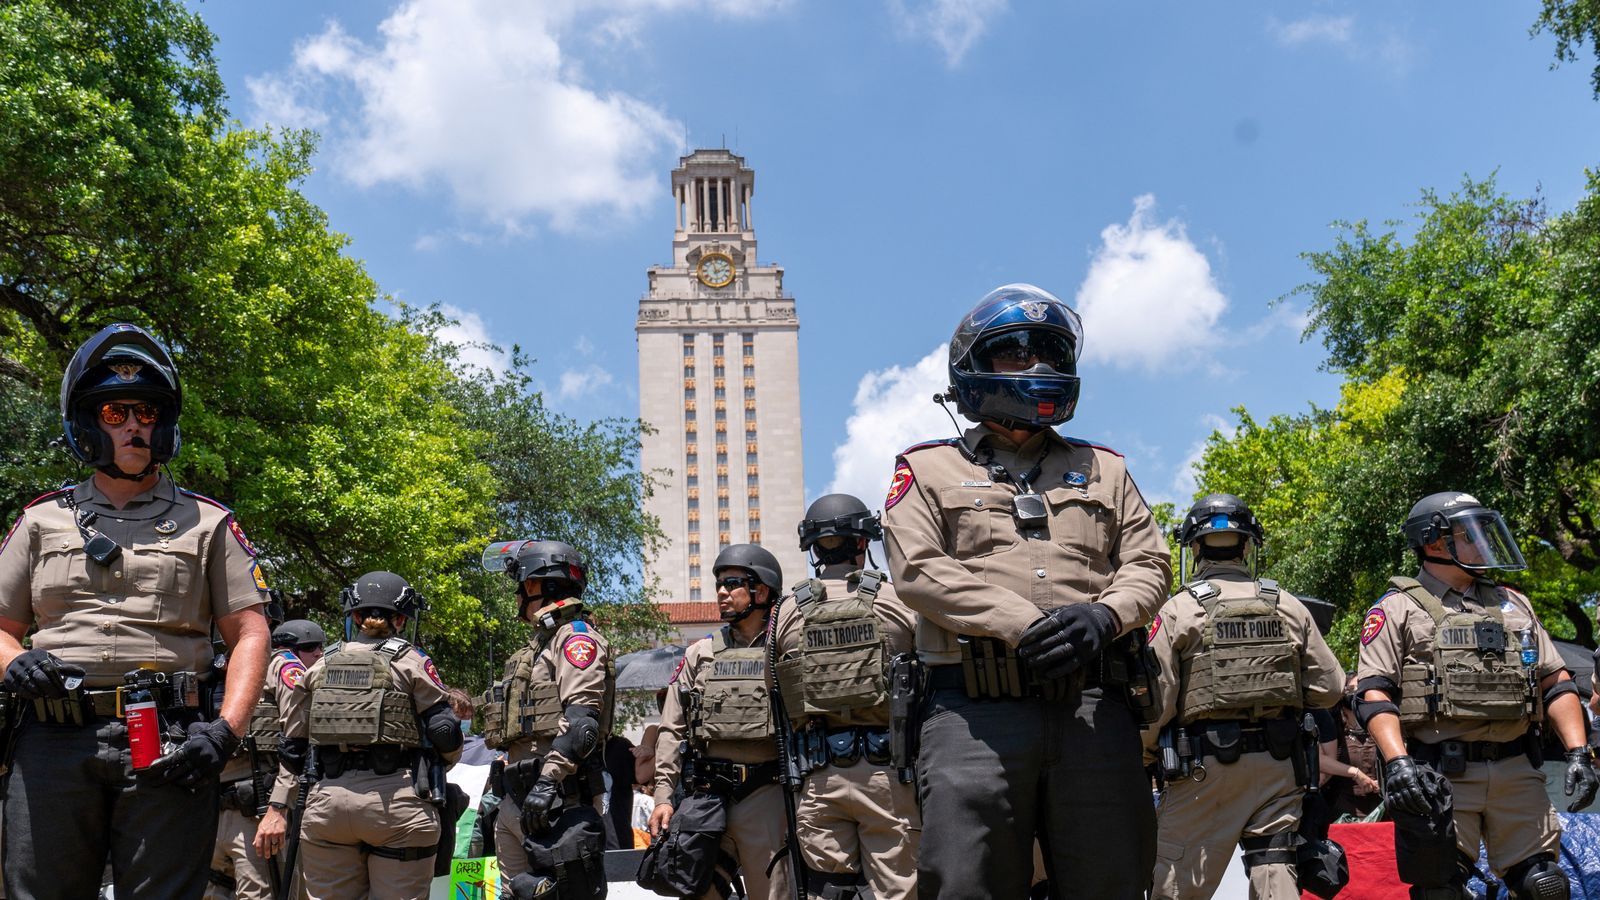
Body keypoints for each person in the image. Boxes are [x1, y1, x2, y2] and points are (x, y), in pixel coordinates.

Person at [882, 284, 1171, 899]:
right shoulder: (926, 470)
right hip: (973, 717)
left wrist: (1104, 615)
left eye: (1048, 352)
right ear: (974, 368)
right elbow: (917, 568)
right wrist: (1021, 621)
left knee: (1113, 882)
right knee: (966, 884)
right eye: (1017, 353)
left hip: (1094, 708)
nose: (1038, 366)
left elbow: (1150, 563)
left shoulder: (1107, 469)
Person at [0, 322, 271, 899]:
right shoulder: (40, 520)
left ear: (164, 424)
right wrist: (10, 664)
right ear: (88, 424)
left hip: (169, 739)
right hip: (52, 738)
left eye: (145, 413)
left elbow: (250, 632)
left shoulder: (210, 523)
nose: (133, 427)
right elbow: (0, 627)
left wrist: (225, 733)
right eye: (116, 413)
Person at [1355, 492, 1599, 899]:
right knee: (1441, 891)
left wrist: (1578, 751)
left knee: (1546, 887)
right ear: (1435, 542)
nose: (1483, 541)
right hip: (1442, 773)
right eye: (1470, 533)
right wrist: (1398, 763)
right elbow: (1375, 694)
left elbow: (1555, 682)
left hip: (1517, 769)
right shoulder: (1397, 609)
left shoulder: (1514, 603)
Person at [1143, 493, 1345, 899]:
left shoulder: (1179, 609)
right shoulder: (1286, 604)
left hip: (1203, 769)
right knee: (1275, 874)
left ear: (1194, 548)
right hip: (1278, 765)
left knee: (1175, 886)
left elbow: (1157, 702)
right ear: (1249, 545)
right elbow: (1331, 689)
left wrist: (1146, 756)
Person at [270, 571, 463, 899]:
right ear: (401, 620)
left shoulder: (319, 666)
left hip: (327, 805)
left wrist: (278, 805)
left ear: (355, 616)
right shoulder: (410, 661)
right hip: (396, 805)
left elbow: (293, 746)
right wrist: (442, 765)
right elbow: (445, 731)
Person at [770, 493, 919, 900]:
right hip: (890, 776)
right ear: (862, 542)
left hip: (818, 777)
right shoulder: (898, 601)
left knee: (829, 891)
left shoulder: (786, 611)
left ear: (813, 548)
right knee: (897, 890)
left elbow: (776, 691)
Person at [650, 544, 794, 900]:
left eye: (732, 583)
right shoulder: (700, 653)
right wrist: (663, 797)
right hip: (707, 801)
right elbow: (672, 729)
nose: (721, 592)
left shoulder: (784, 649)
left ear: (761, 591)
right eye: (719, 584)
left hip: (767, 797)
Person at [477, 540, 614, 899]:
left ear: (545, 586)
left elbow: (582, 724)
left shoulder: (574, 639)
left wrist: (547, 783)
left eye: (525, 587)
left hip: (557, 798)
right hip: (516, 796)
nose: (519, 596)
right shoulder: (537, 646)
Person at [209, 617, 326, 899]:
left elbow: (298, 741)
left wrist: (278, 808)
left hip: (256, 809)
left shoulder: (279, 666)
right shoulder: (208, 666)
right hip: (209, 809)